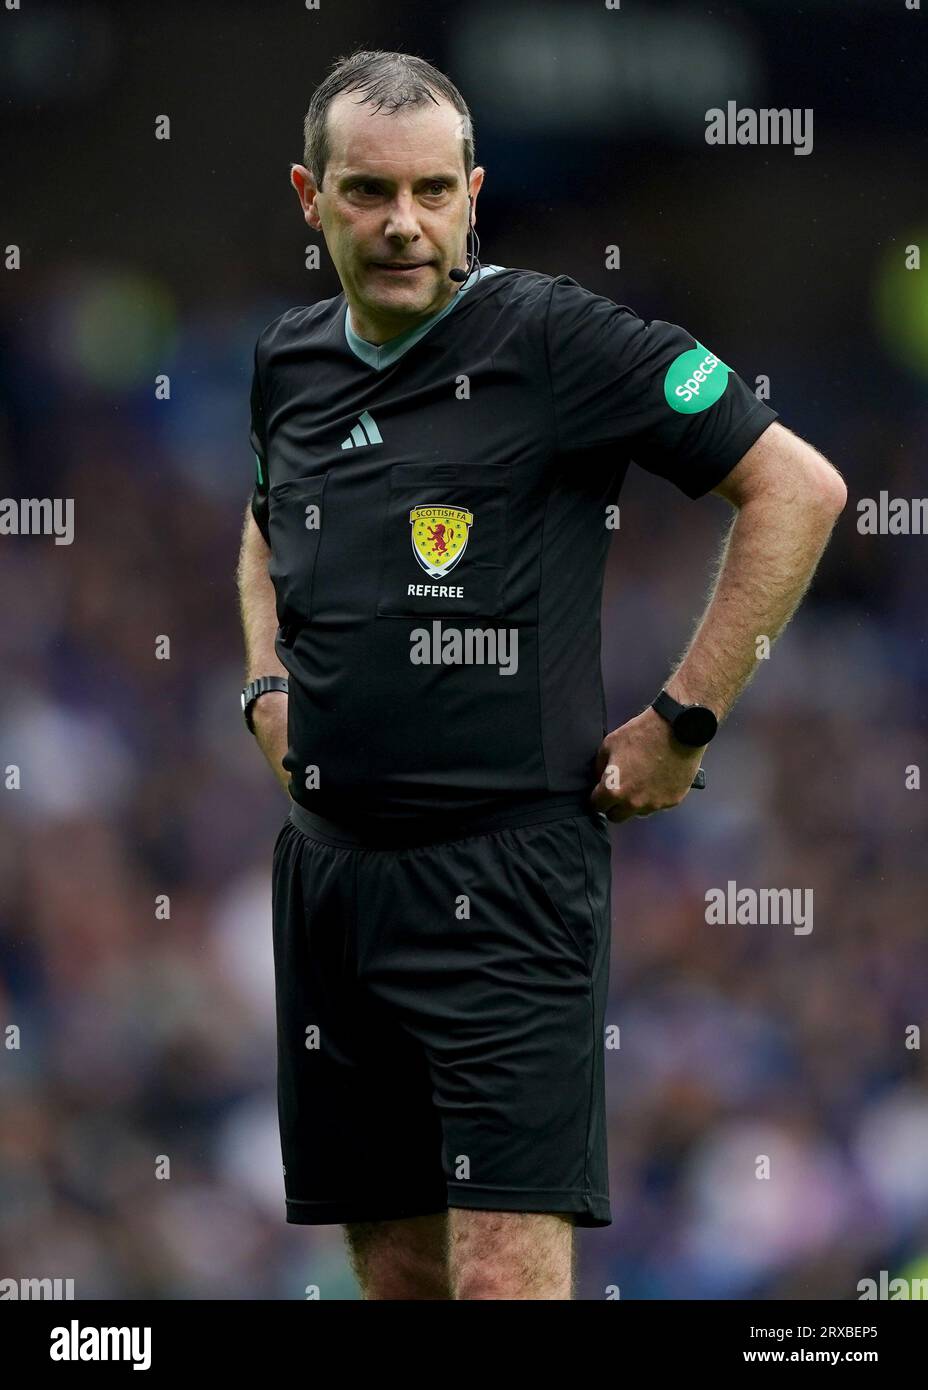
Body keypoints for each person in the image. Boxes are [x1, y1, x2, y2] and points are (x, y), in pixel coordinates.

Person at [236, 48, 847, 1300]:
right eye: (365, 193)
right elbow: (264, 517)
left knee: (502, 1281)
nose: (401, 223)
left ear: (472, 192)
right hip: (332, 875)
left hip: (507, 878)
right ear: (310, 197)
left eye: (429, 191)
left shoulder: (557, 336)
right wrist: (261, 684)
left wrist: (684, 719)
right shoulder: (288, 359)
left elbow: (797, 485)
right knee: (397, 1272)